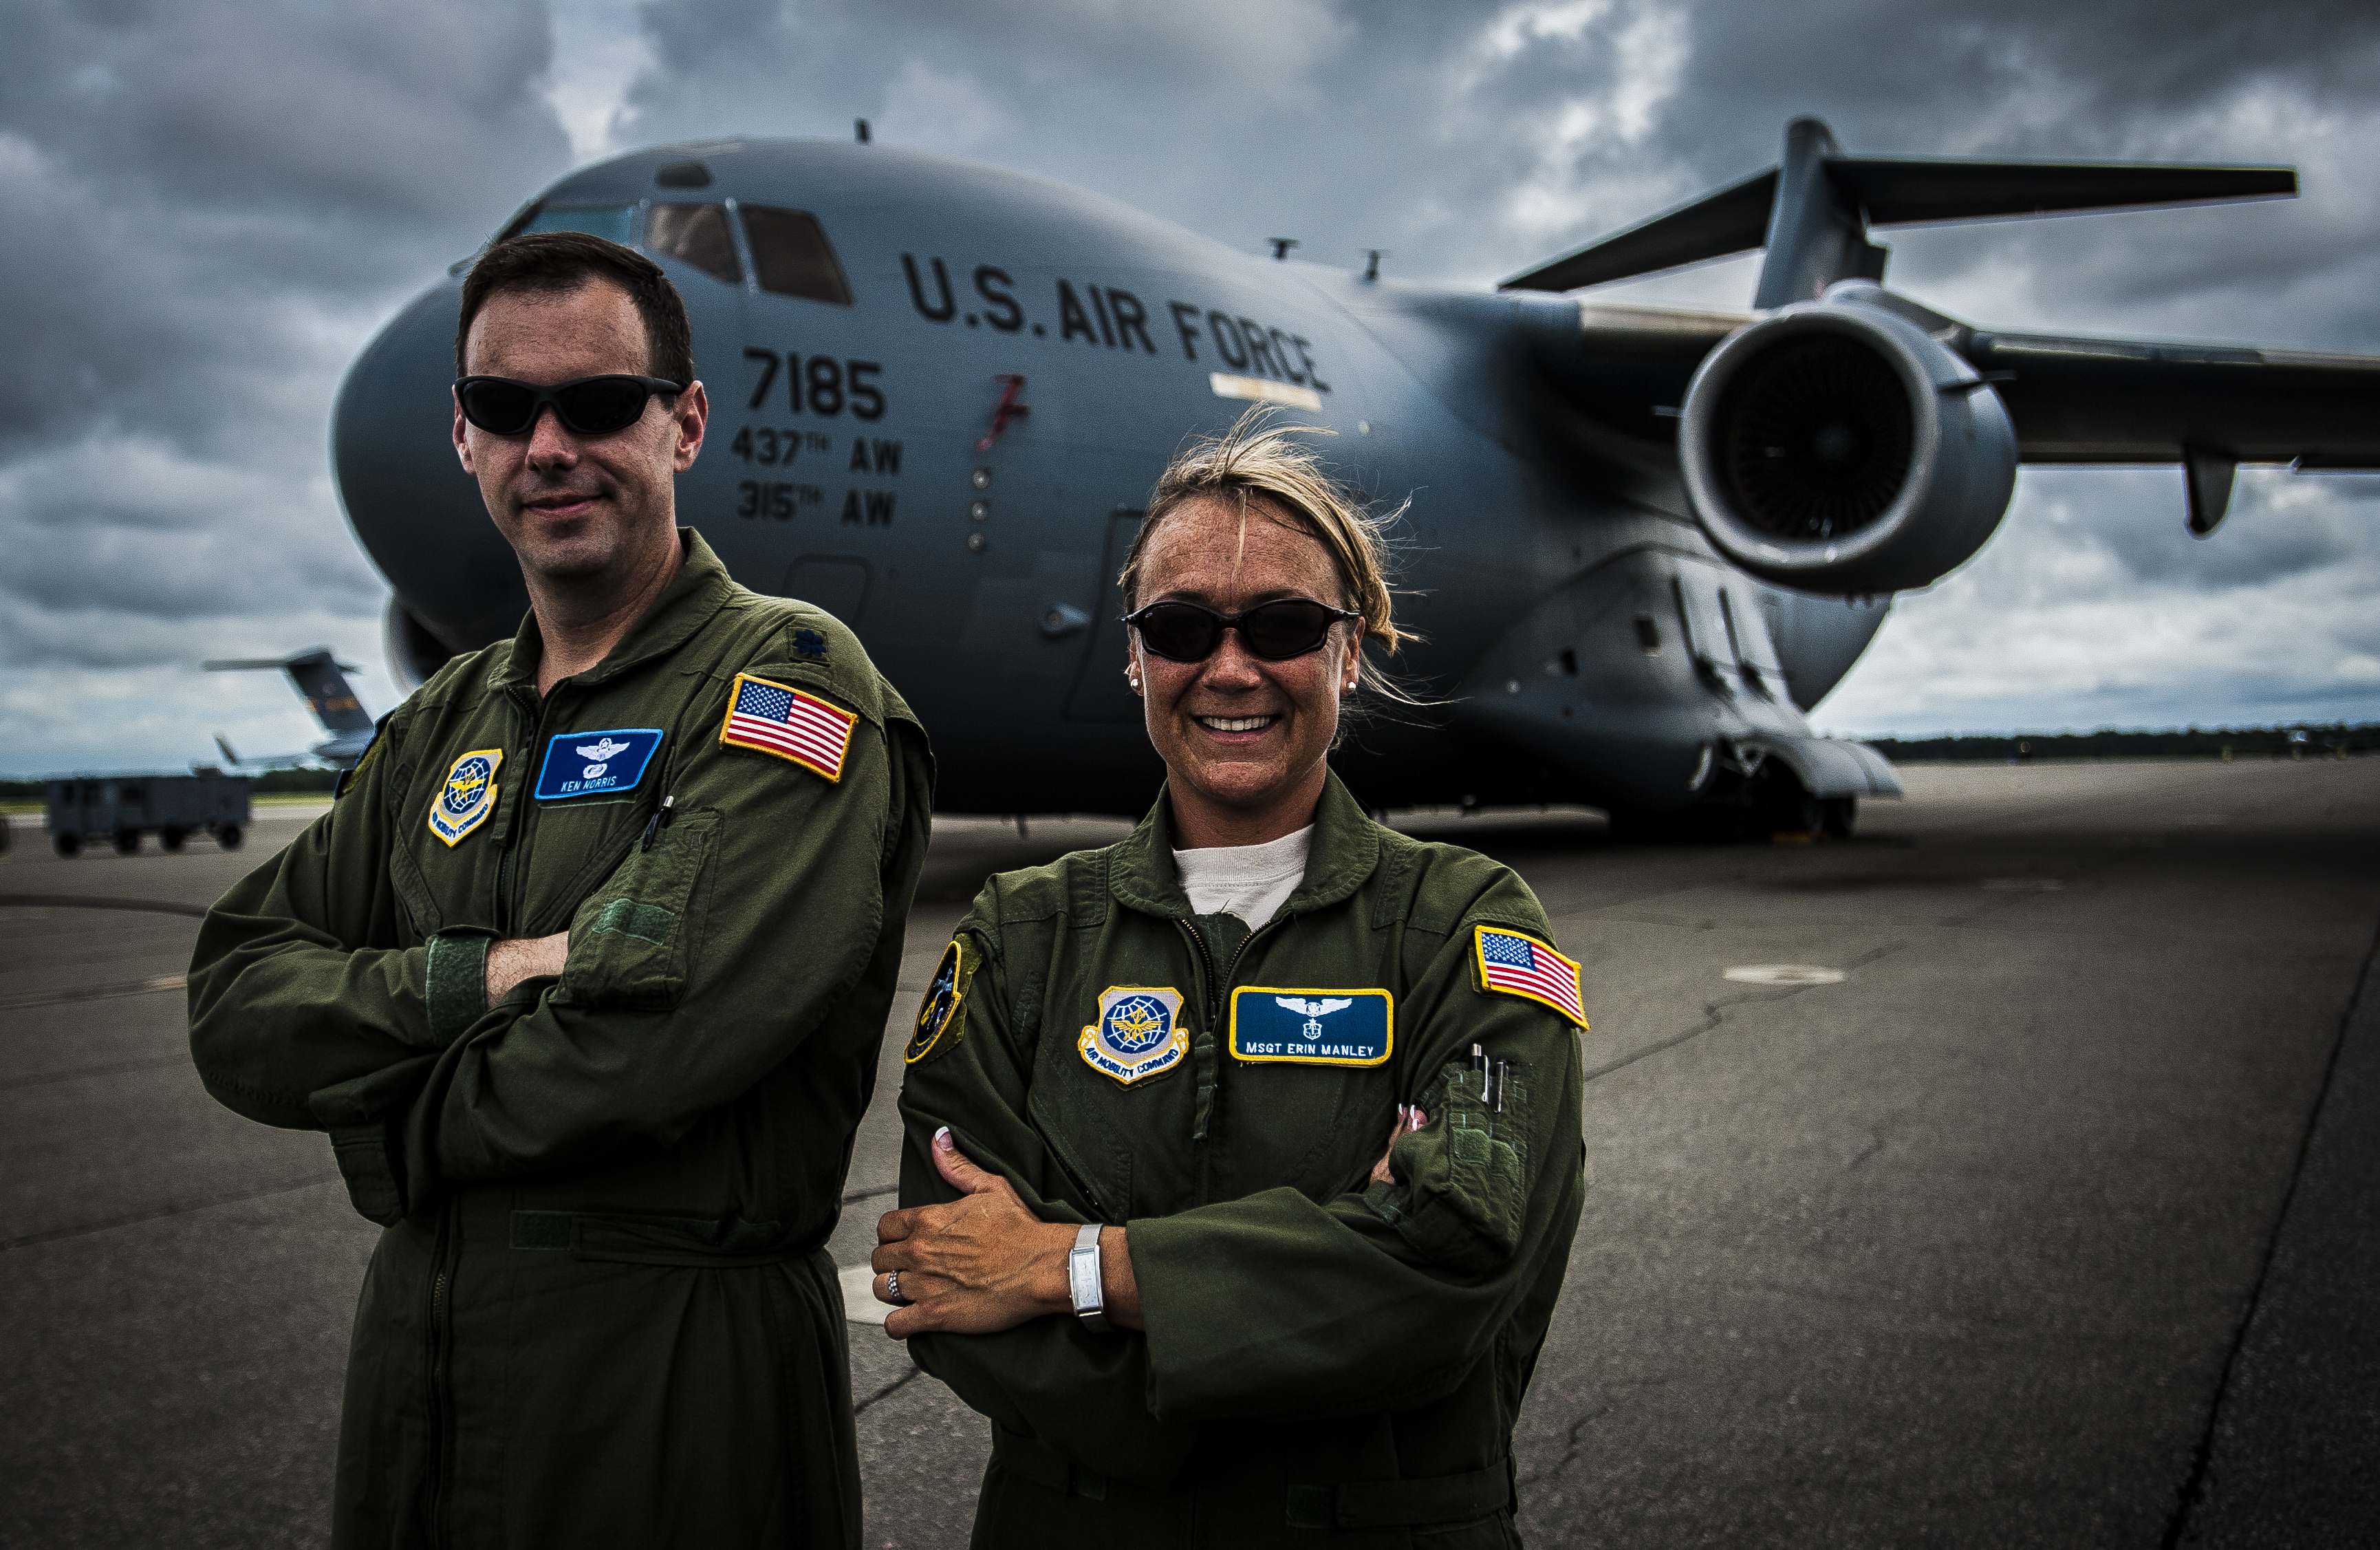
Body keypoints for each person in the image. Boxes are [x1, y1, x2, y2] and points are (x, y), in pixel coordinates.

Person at [186, 230, 933, 1547]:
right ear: (463, 435)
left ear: (684, 424)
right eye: (502, 407)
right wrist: (476, 974)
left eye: (597, 404)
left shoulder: (788, 684)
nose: (549, 446)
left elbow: (660, 1037)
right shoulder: (443, 722)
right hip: (421, 1371)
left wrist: (389, 1122)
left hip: (671, 1380)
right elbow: (234, 996)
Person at [875, 416, 1588, 1547]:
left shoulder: (1464, 925)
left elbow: (1456, 1259)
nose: (1231, 665)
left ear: (1352, 650)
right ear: (1134, 654)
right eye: (1180, 627)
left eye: (1285, 624)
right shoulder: (1023, 933)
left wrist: (1071, 1266)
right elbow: (947, 1274)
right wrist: (1282, 1353)